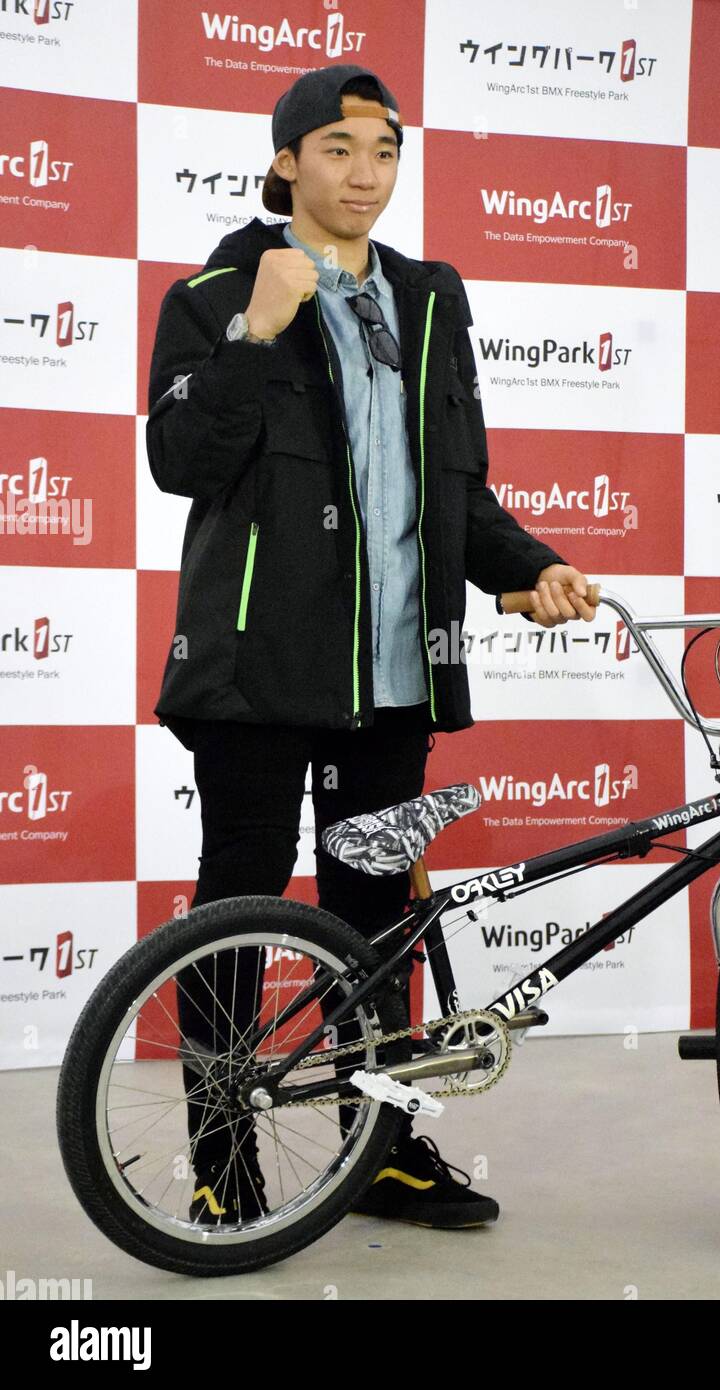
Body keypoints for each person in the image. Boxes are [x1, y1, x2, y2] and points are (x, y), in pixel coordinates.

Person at [146, 63, 595, 1232]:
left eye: (385, 153)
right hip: (255, 673)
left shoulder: (432, 296)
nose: (365, 174)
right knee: (236, 912)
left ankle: (380, 1151)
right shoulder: (216, 290)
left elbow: (456, 490)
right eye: (339, 149)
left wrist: (526, 564)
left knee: (376, 924)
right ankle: (221, 1159)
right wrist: (258, 328)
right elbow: (182, 461)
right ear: (288, 160)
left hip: (395, 675)